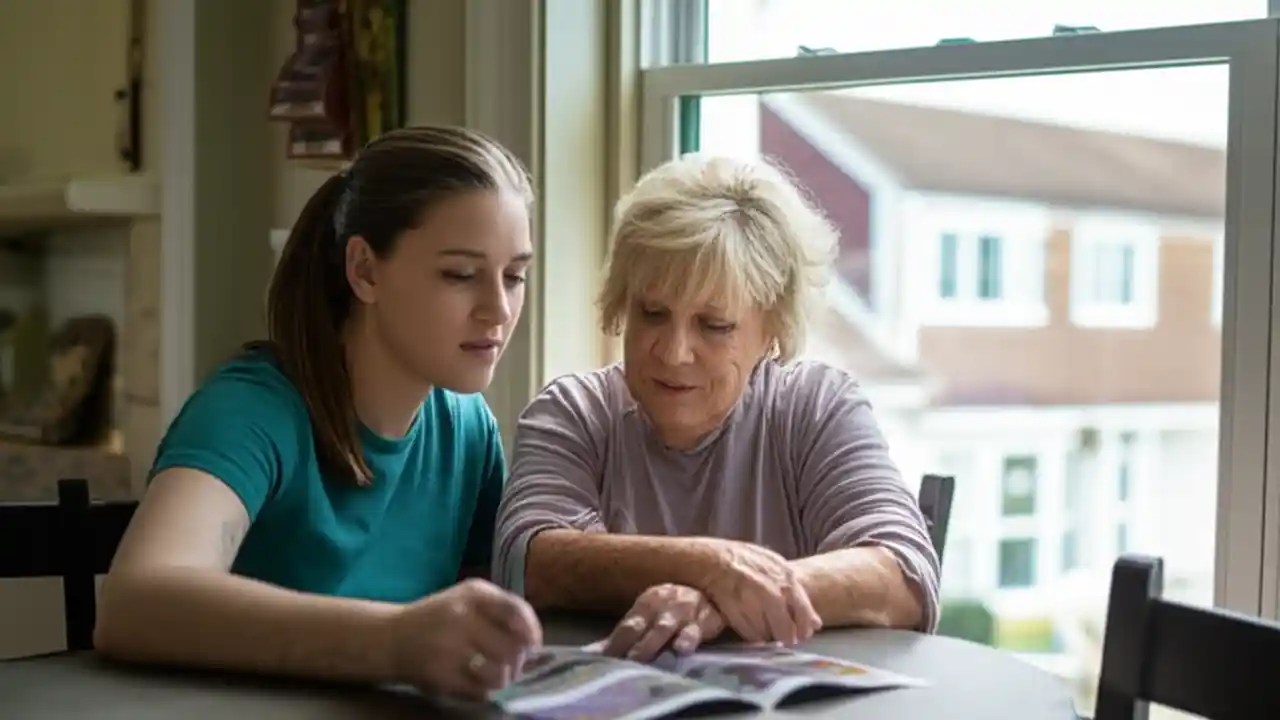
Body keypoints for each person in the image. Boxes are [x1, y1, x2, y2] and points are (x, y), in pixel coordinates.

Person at [95, 127, 542, 701]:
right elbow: (136, 603)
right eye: (459, 274)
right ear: (365, 270)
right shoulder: (251, 411)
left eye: (515, 276)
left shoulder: (468, 427)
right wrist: (395, 641)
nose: (498, 310)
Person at [493, 153, 940, 663]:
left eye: (714, 325)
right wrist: (712, 565)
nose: (674, 351)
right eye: (653, 313)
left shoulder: (816, 407)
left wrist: (725, 597)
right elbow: (528, 559)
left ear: (773, 328)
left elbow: (904, 573)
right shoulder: (574, 412)